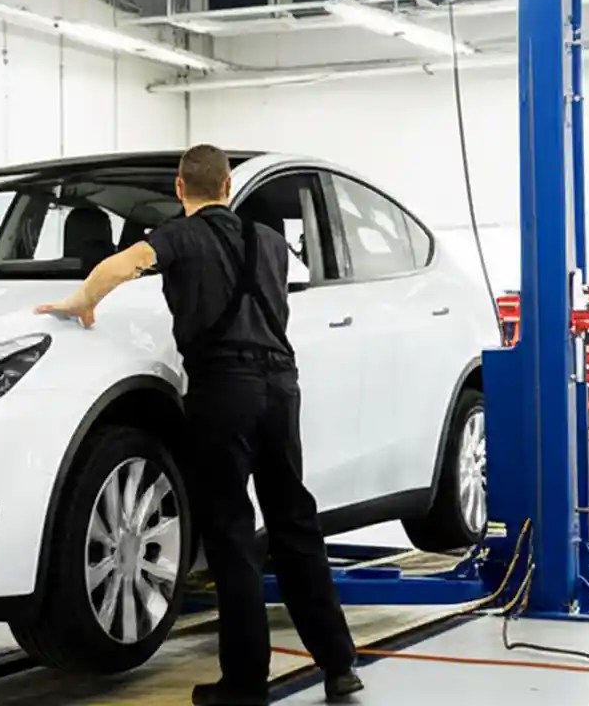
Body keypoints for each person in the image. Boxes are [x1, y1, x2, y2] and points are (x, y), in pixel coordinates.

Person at [36, 145, 363, 705]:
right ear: (229, 185)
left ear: (180, 188)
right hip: (282, 388)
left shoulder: (179, 236)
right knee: (294, 524)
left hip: (223, 390)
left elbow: (120, 266)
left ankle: (244, 683)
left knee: (233, 535)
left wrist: (81, 302)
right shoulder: (269, 243)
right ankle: (339, 664)